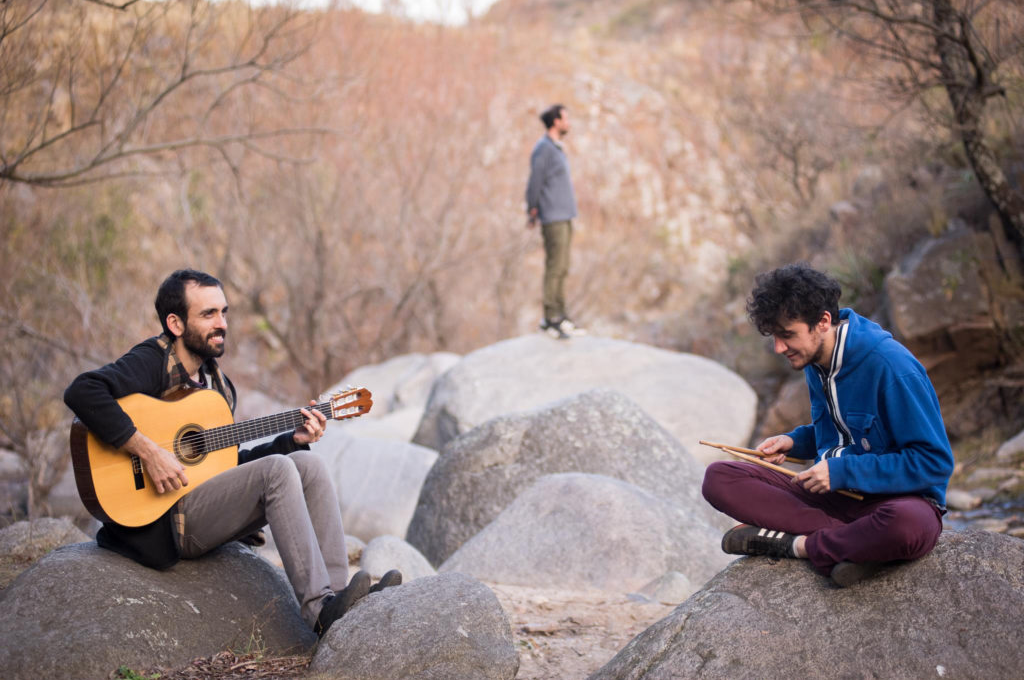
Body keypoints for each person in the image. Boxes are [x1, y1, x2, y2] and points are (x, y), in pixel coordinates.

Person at [64, 269, 400, 637]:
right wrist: (148, 451)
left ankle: (339, 600)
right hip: (161, 522)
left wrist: (294, 439)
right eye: (208, 314)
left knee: (308, 464)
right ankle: (318, 609)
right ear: (175, 323)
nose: (221, 324)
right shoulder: (152, 361)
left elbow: (226, 467)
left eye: (224, 313)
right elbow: (83, 391)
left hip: (200, 504)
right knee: (275, 471)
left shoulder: (218, 387)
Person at [701, 263, 954, 587]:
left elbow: (934, 463)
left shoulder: (891, 366)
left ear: (822, 322)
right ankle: (854, 545)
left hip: (896, 501)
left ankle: (801, 545)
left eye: (787, 335)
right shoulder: (815, 362)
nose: (779, 347)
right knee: (720, 477)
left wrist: (842, 472)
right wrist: (794, 443)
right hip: (833, 497)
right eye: (775, 337)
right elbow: (846, 431)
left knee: (906, 525)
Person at [525, 103, 584, 340]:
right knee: (554, 267)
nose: (569, 123)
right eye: (566, 119)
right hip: (553, 216)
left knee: (564, 266)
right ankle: (550, 318)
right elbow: (534, 181)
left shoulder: (556, 147)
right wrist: (532, 209)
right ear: (556, 122)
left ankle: (561, 314)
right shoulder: (544, 149)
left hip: (565, 214)